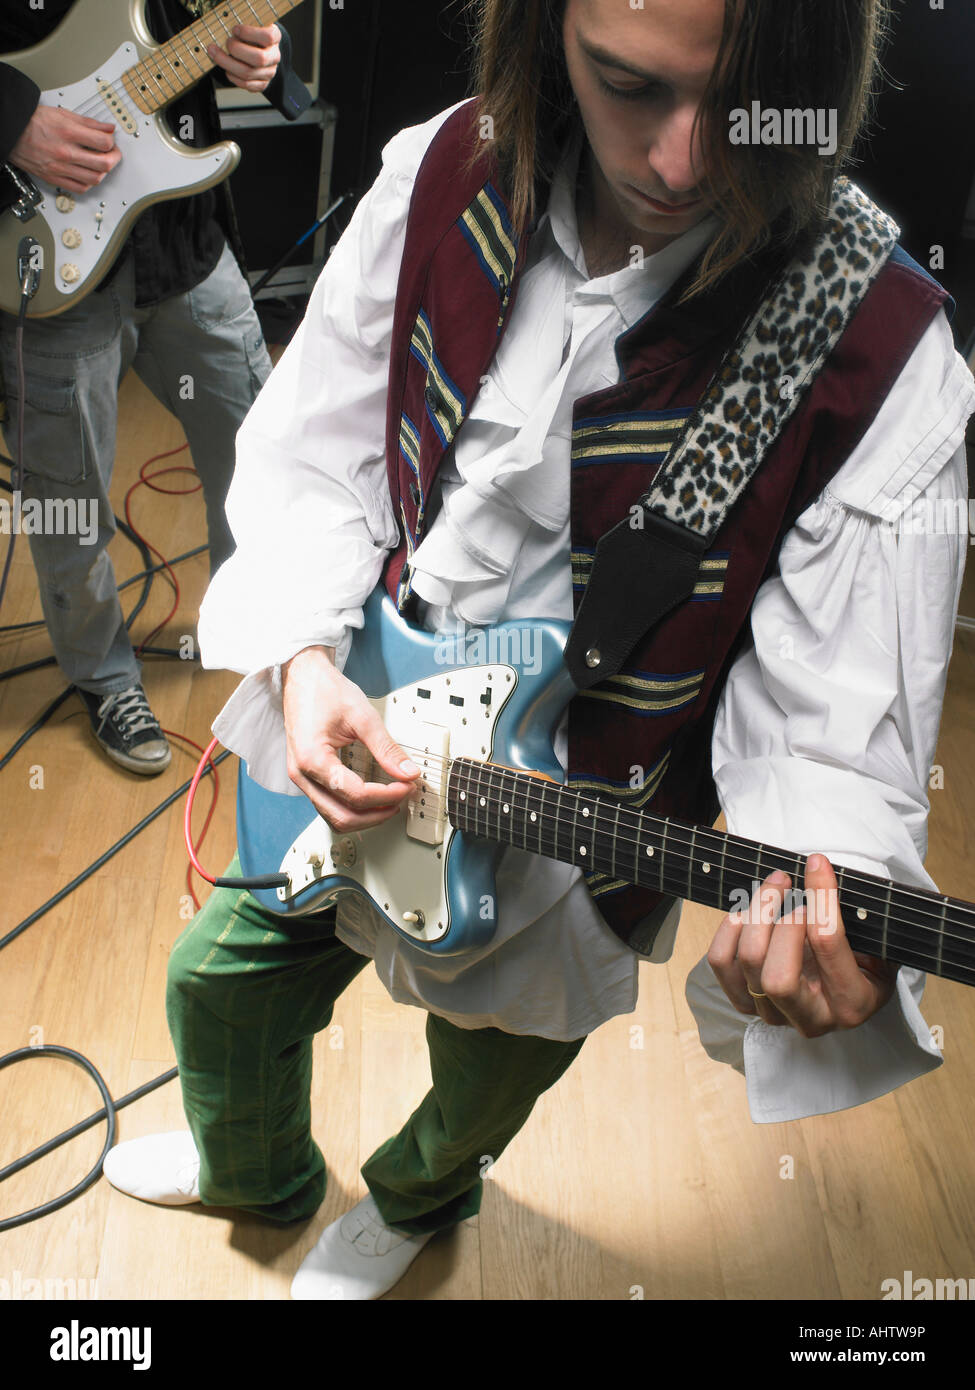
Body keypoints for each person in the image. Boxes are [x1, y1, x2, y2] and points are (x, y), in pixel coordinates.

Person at [103, 0, 974, 1300]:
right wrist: (302, 662)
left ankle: (416, 1197)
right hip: (353, 730)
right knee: (216, 987)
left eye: (734, 106)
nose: (677, 162)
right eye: (625, 85)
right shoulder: (445, 168)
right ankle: (258, 1177)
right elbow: (315, 455)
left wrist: (823, 878)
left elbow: (828, 742)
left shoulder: (879, 350)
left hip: (574, 859)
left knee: (484, 1079)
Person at [0, 0, 306, 773]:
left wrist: (263, 56)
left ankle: (265, 637)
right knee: (68, 497)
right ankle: (103, 677)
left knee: (262, 448)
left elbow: (227, 17)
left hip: (183, 234)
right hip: (50, 242)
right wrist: (11, 120)